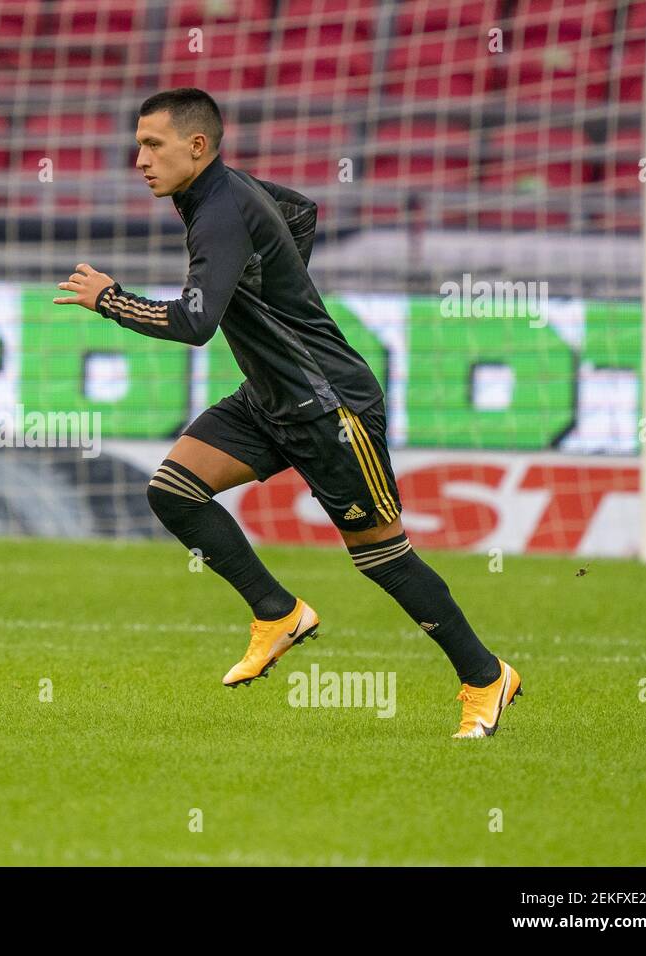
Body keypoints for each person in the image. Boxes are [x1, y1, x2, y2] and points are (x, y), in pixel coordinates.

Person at [53, 88, 521, 738]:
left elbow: (193, 323)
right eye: (139, 144)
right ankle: (276, 612)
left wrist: (109, 299)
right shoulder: (223, 194)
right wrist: (279, 283)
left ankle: (485, 678)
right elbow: (301, 212)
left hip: (330, 406)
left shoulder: (218, 213)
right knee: (175, 491)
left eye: (153, 145)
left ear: (197, 146)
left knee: (384, 559)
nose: (140, 159)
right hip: (270, 398)